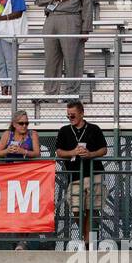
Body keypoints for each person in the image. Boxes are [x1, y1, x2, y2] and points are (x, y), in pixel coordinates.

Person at [35, 0, 93, 95]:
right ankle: (50, 93)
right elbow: (38, 0)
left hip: (71, 18)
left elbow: (87, 4)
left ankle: (71, 93)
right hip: (51, 18)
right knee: (51, 59)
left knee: (72, 58)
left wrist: (86, 28)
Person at [54, 101, 108, 242]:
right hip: (75, 175)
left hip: (93, 173)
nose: (70, 118)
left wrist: (90, 154)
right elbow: (59, 152)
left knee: (92, 208)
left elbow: (104, 149)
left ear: (81, 113)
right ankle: (86, 236)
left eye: (73, 115)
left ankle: (88, 241)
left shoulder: (94, 128)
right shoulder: (64, 130)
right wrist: (73, 152)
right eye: (68, 116)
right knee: (76, 208)